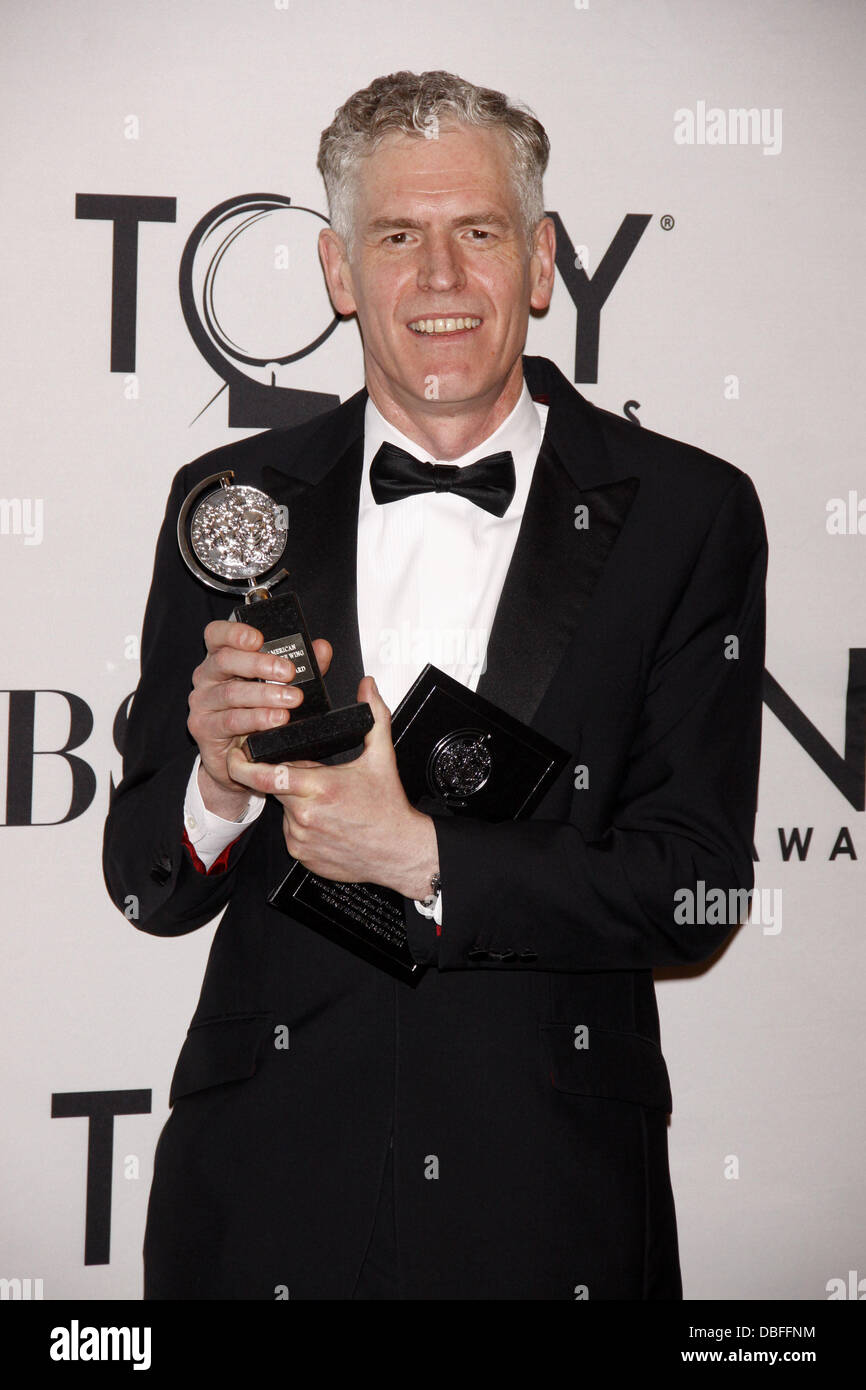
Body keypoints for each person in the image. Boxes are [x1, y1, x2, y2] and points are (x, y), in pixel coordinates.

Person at [103, 69, 767, 1300]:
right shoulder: (232, 504)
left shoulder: (688, 514)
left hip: (552, 1195)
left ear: (541, 259)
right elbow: (144, 885)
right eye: (396, 237)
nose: (442, 278)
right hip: (261, 1193)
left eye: (478, 232)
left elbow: (698, 887)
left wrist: (418, 856)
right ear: (337, 272)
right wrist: (212, 778)